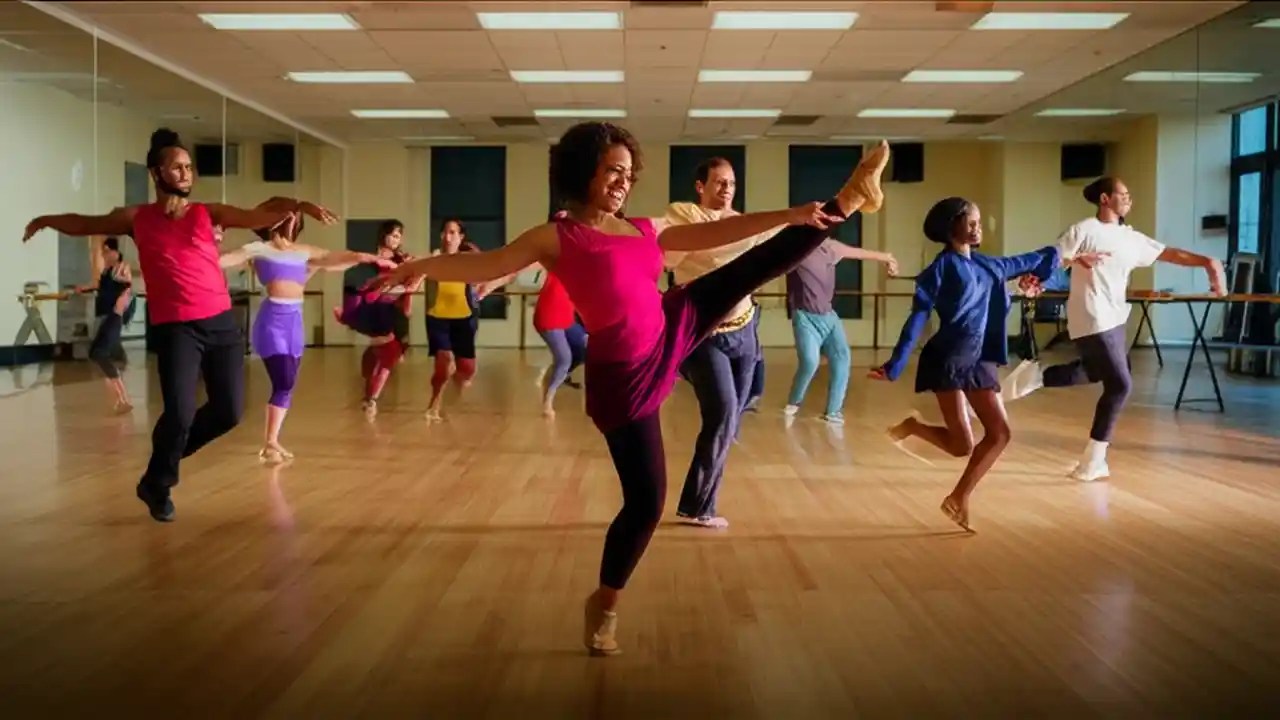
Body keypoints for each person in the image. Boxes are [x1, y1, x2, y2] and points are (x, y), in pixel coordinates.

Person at [379, 121, 890, 656]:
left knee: (748, 270)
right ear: (583, 174)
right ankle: (604, 603)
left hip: (672, 325)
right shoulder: (555, 236)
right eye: (612, 171)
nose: (623, 182)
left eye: (628, 172)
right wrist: (418, 267)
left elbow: (723, 234)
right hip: (623, 375)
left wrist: (790, 214)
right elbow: (483, 263)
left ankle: (849, 198)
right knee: (646, 502)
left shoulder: (646, 229)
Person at [22, 128, 338, 522]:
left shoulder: (208, 213)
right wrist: (44, 219)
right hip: (176, 328)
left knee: (228, 413)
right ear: (157, 173)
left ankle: (165, 455)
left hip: (220, 323)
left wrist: (300, 205)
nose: (186, 173)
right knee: (180, 412)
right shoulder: (137, 218)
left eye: (189, 167)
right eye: (177, 167)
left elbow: (260, 215)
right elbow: (86, 222)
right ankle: (160, 481)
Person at [870, 197, 1085, 532]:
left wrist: (1061, 258)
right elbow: (917, 320)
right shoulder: (937, 271)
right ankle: (913, 428)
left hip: (980, 359)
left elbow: (1033, 259)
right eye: (970, 222)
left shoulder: (990, 266)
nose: (977, 227)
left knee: (999, 434)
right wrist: (895, 365)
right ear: (951, 226)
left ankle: (958, 497)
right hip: (949, 359)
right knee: (961, 445)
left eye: (979, 221)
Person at [1001, 176, 1226, 481]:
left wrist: (1208, 262)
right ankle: (1093, 461)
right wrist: (1075, 260)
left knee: (1096, 372)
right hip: (1091, 314)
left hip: (1116, 316)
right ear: (1105, 199)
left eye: (1130, 194)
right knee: (1121, 384)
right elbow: (1053, 260)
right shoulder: (1083, 230)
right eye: (1124, 194)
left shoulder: (1131, 238)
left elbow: (1170, 254)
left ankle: (1038, 375)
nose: (1129, 199)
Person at [662, 157, 784, 529]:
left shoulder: (744, 223)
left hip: (744, 329)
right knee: (723, 413)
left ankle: (703, 498)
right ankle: (699, 506)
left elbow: (776, 248)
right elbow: (681, 256)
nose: (727, 188)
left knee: (735, 415)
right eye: (718, 182)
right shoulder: (684, 214)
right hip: (702, 335)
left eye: (731, 182)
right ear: (701, 186)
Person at [219, 201, 391, 461]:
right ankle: (270, 442)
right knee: (284, 380)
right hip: (272, 322)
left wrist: (368, 258)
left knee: (287, 386)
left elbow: (334, 259)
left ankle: (271, 441)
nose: (292, 218)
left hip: (295, 322)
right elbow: (223, 260)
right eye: (286, 214)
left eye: (295, 215)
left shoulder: (305, 251)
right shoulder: (258, 249)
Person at [478, 211, 587, 418]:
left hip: (567, 317)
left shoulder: (578, 255)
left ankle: (554, 374)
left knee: (583, 350)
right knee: (564, 358)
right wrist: (490, 285)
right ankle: (548, 400)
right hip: (549, 316)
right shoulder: (546, 257)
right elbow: (513, 272)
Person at [784, 236, 899, 425]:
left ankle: (833, 411)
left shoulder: (831, 248)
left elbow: (860, 253)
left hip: (829, 317)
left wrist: (887, 258)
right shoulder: (795, 250)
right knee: (810, 362)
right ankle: (794, 401)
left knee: (842, 358)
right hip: (804, 317)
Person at [334, 220, 421, 419]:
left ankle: (369, 394)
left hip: (395, 309)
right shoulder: (375, 259)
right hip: (378, 308)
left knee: (389, 351)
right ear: (385, 235)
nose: (397, 240)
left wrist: (416, 273)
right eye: (394, 235)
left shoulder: (401, 259)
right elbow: (367, 284)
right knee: (388, 352)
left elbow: (408, 285)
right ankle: (371, 398)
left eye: (400, 236)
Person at [423, 219, 481, 421]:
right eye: (445, 232)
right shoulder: (434, 257)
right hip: (438, 317)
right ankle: (435, 402)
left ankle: (448, 397)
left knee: (467, 369)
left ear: (461, 237)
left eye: (453, 233)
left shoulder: (468, 259)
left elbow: (485, 275)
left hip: (464, 318)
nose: (448, 237)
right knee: (444, 361)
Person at [75, 236, 138, 413]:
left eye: (105, 251)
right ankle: (122, 397)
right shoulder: (106, 271)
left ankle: (123, 398)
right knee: (99, 353)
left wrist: (120, 308)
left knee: (99, 353)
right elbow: (99, 285)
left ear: (113, 251)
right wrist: (84, 288)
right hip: (104, 315)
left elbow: (127, 286)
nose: (103, 254)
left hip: (113, 316)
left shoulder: (120, 268)